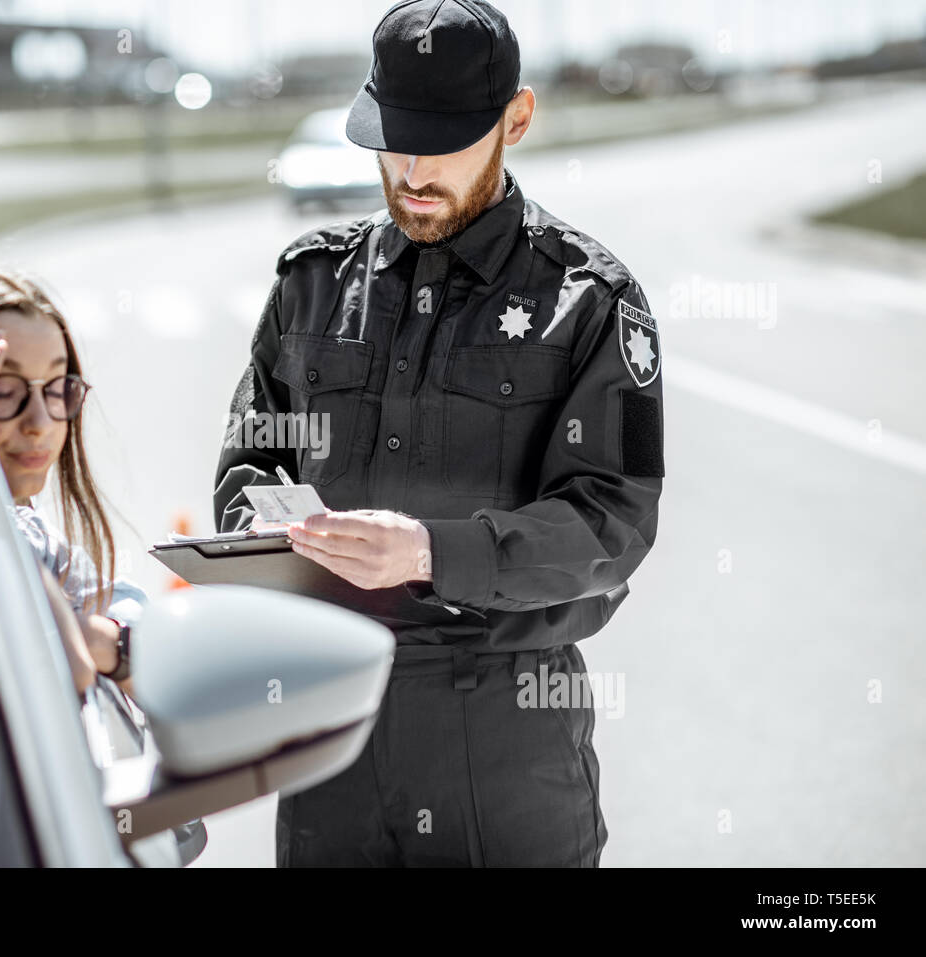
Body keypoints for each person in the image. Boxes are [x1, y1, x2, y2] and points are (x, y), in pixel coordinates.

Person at [214, 0, 663, 867]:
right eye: (394, 138)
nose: (413, 170)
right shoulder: (310, 286)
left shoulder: (591, 300)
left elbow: (615, 519)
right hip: (331, 725)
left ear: (517, 120)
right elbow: (249, 462)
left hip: (501, 729)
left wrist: (429, 552)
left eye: (444, 141)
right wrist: (262, 537)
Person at [0, 266, 147, 696]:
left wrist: (108, 640)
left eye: (55, 388)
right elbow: (68, 662)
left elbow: (137, 619)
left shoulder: (19, 518)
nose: (41, 423)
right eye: (2, 391)